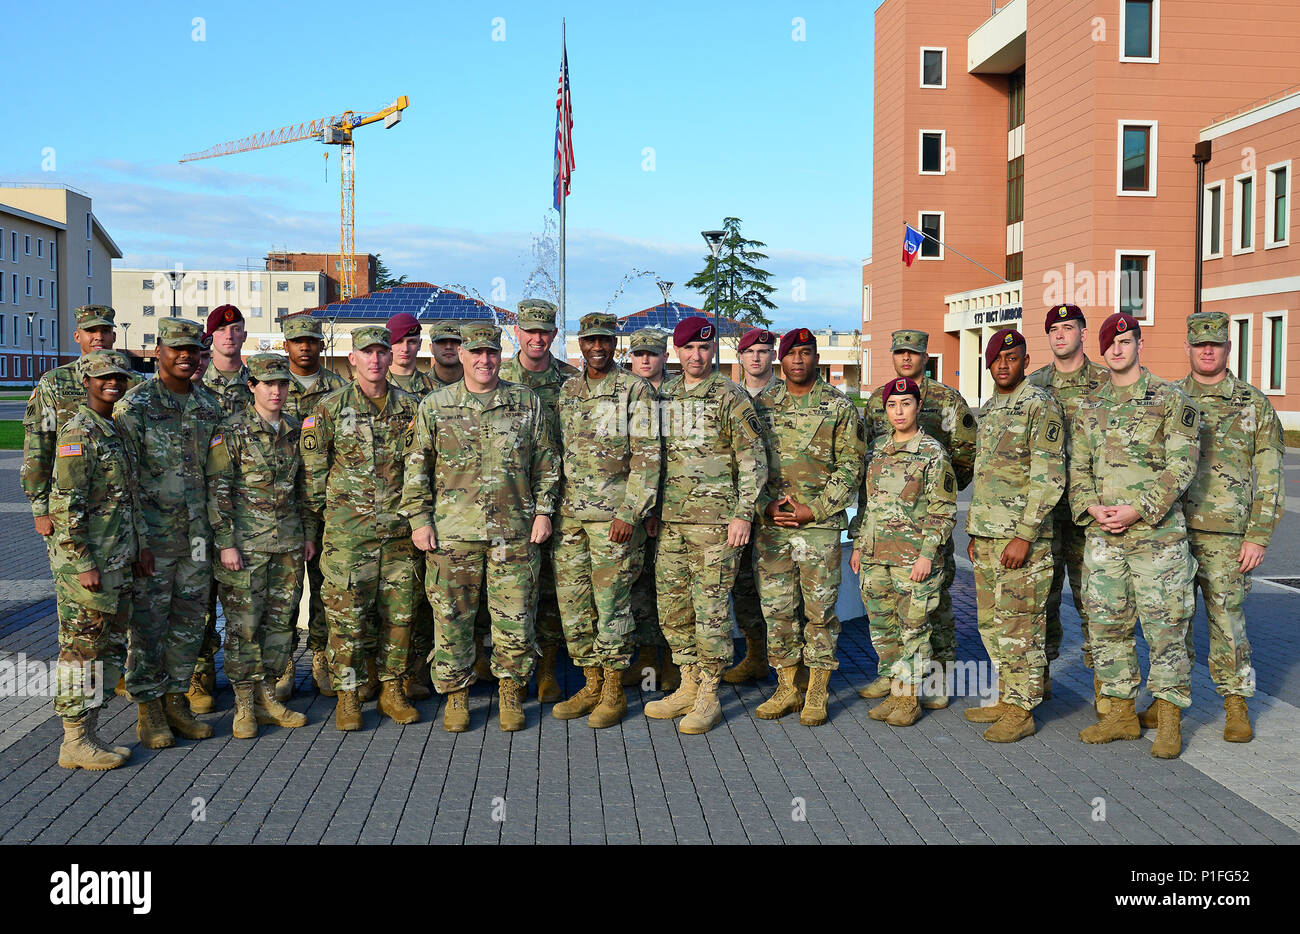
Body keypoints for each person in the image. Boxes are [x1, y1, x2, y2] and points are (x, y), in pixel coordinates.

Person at [401, 322, 560, 733]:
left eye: (491, 353)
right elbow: (417, 468)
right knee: (452, 619)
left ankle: (510, 692)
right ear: (463, 356)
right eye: (476, 353)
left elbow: (546, 463)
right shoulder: (435, 406)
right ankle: (457, 696)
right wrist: (419, 520)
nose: (484, 360)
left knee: (515, 616)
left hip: (515, 531)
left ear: (500, 355)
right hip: (453, 533)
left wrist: (543, 511)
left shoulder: (525, 403)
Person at [1071, 313, 1200, 759]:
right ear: (1102, 351)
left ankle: (1168, 720)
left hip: (1157, 539)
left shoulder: (1171, 399)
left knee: (1165, 629)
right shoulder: (1089, 406)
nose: (1118, 349)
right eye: (1111, 344)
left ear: (1139, 344)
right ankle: (1121, 714)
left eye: (1126, 341)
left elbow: (1181, 466)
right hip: (1104, 539)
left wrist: (1136, 510)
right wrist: (1091, 506)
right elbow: (1078, 468)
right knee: (1107, 626)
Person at [1163, 312, 1284, 743]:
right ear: (1188, 349)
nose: (1207, 351)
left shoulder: (1253, 404)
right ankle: (1168, 706)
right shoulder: (1170, 398)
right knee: (1170, 622)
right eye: (1200, 345)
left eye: (1215, 344)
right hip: (1170, 532)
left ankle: (1235, 702)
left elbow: (1270, 476)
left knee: (1227, 620)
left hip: (1228, 536)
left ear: (1229, 348)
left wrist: (1259, 535)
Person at [644, 317, 767, 734]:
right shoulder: (664, 396)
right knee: (674, 608)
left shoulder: (730, 397)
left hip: (717, 526)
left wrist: (743, 513)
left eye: (704, 348)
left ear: (714, 351)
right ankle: (687, 683)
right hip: (672, 524)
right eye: (688, 349)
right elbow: (653, 459)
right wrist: (651, 510)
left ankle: (709, 694)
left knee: (710, 611)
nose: (696, 356)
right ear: (676, 353)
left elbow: (753, 460)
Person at [300, 326, 422, 731]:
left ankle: (392, 690)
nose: (375, 359)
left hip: (400, 536)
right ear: (352, 358)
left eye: (381, 352)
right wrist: (326, 525)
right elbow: (314, 476)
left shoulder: (412, 408)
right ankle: (348, 695)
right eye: (366, 352)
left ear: (391, 358)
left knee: (399, 618)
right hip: (349, 537)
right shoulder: (330, 408)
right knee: (347, 621)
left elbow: (423, 467)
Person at [115, 318, 221, 748]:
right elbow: (123, 481)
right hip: (152, 540)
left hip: (198, 537)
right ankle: (149, 709)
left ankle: (177, 700)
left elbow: (220, 475)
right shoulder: (134, 406)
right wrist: (135, 541)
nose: (185, 356)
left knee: (189, 623)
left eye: (192, 349)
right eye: (176, 348)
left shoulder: (209, 406)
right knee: (149, 626)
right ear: (158, 350)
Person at [551, 313, 661, 728]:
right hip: (570, 518)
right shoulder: (569, 390)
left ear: (616, 345)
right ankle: (591, 681)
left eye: (605, 341)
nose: (598, 348)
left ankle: (614, 689)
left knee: (612, 605)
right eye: (590, 340)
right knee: (574, 607)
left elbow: (647, 457)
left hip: (614, 520)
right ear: (581, 343)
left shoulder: (634, 390)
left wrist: (630, 513)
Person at [750, 328, 863, 726]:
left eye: (806, 352)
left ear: (818, 358)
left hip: (818, 526)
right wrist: (764, 507)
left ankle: (816, 690)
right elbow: (745, 462)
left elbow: (852, 467)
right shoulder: (760, 405)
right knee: (777, 609)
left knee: (820, 611)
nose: (798, 359)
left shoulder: (838, 406)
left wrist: (813, 510)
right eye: (792, 353)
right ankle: (787, 687)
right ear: (781, 359)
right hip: (773, 528)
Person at [857, 329, 975, 707]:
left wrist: (936, 487)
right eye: (900, 352)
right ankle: (894, 677)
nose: (906, 357)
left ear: (925, 355)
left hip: (923, 527)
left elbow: (966, 454)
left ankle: (936, 681)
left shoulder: (947, 401)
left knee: (932, 607)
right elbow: (870, 485)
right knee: (890, 614)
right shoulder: (878, 399)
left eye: (913, 352)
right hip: (883, 536)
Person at [962, 329, 1065, 742]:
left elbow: (1050, 477)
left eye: (1012, 357)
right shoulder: (990, 409)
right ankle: (1009, 695)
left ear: (1025, 360)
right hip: (988, 537)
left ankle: (1023, 710)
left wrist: (1024, 534)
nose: (1004, 364)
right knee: (991, 623)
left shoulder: (1039, 405)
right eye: (997, 359)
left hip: (1023, 540)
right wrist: (976, 532)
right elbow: (987, 477)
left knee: (1021, 624)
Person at [49, 350, 150, 770]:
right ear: (87, 381)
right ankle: (73, 739)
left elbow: (129, 498)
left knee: (108, 649)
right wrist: (83, 562)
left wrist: (141, 546)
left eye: (120, 377)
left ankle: (89, 734)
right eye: (104, 377)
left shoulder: (116, 429)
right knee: (81, 650)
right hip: (89, 568)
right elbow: (64, 505)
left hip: (119, 559)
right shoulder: (79, 433)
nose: (114, 382)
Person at [205, 354, 312, 738]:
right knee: (243, 628)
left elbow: (305, 489)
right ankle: (244, 706)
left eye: (282, 384)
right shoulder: (230, 431)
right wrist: (225, 544)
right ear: (252, 387)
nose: (276, 391)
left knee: (280, 625)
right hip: (245, 547)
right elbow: (218, 492)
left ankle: (269, 698)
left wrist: (309, 536)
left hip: (287, 545)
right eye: (268, 384)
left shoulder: (297, 431)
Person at [850, 377, 956, 726]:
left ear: (916, 406)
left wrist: (927, 555)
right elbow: (867, 503)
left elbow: (943, 510)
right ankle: (896, 691)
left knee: (914, 629)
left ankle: (909, 699)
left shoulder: (932, 453)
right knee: (883, 628)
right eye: (892, 405)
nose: (899, 411)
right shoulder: (877, 449)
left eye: (906, 404)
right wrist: (859, 545)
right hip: (876, 556)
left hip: (913, 560)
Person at [1027, 303, 1110, 705]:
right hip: (1044, 516)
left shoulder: (1105, 382)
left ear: (1082, 331)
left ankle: (1107, 688)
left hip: (1088, 516)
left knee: (1094, 599)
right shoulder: (1034, 384)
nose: (1061, 334)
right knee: (1041, 598)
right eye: (1054, 329)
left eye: (1068, 327)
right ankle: (1036, 680)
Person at [499, 299, 579, 701]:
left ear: (554, 335)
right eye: (529, 330)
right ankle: (505, 672)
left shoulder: (571, 382)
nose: (537, 338)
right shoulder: (498, 377)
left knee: (549, 589)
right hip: (507, 505)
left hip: (560, 503)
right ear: (517, 331)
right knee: (507, 592)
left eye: (544, 331)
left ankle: (547, 671)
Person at [280, 314, 347, 699]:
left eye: (311, 340)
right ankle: (286, 662)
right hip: (282, 507)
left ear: (322, 345)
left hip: (326, 506)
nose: (305, 346)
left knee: (326, 588)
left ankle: (321, 657)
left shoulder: (337, 388)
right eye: (297, 341)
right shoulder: (272, 384)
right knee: (287, 591)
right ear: (285, 345)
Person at [192, 304, 254, 713]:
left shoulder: (262, 382)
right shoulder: (195, 382)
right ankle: (199, 676)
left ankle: (252, 681)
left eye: (236, 329)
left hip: (248, 511)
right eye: (222, 330)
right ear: (210, 337)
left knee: (245, 601)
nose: (229, 336)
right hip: (196, 509)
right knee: (198, 597)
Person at [384, 312, 442, 701]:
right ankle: (375, 675)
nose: (407, 347)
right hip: (373, 513)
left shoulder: (430, 390)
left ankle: (414, 673)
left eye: (413, 340)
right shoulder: (371, 384)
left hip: (420, 514)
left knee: (416, 600)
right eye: (401, 341)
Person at [724, 327, 780, 685]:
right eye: (750, 351)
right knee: (743, 587)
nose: (757, 357)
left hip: (776, 508)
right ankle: (755, 655)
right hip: (737, 507)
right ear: (740, 357)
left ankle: (792, 668)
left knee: (782, 593)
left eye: (763, 350)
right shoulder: (730, 396)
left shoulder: (786, 395)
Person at [623, 328, 677, 690]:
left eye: (652, 354)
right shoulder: (622, 393)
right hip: (633, 507)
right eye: (639, 354)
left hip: (673, 508)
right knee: (638, 586)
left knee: (672, 588)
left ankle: (674, 660)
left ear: (664, 357)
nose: (645, 360)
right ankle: (644, 662)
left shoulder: (678, 396)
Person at [387, 312, 442, 397]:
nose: (405, 349)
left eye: (411, 342)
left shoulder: (437, 391)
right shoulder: (372, 386)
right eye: (398, 342)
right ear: (387, 344)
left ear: (419, 344)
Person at [427, 321, 465, 386]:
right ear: (431, 348)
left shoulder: (479, 384)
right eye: (442, 341)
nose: (448, 347)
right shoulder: (417, 386)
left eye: (455, 341)